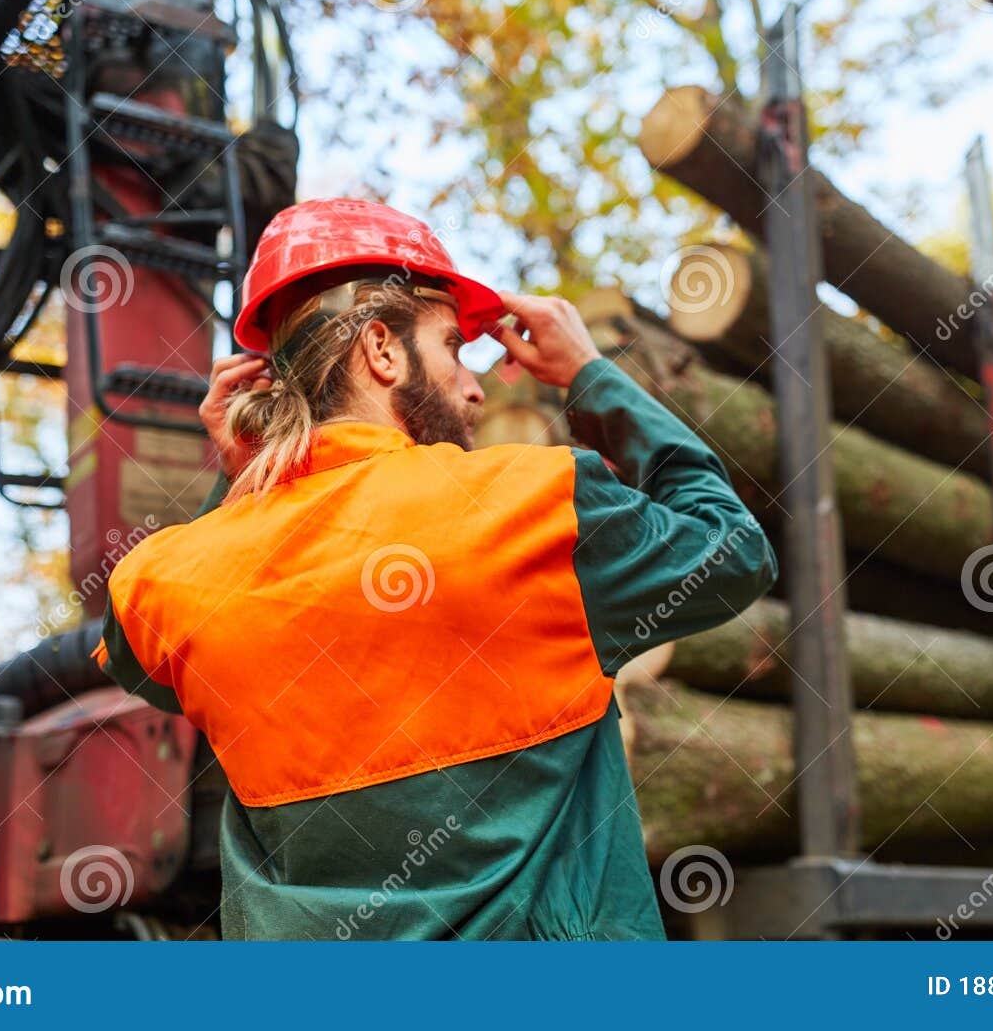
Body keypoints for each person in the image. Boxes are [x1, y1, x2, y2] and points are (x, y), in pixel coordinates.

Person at [94, 198, 777, 939]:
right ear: (382, 350)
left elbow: (147, 665)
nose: (477, 384)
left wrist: (239, 482)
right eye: (453, 345)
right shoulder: (535, 506)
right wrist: (590, 375)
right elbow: (734, 549)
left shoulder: (170, 576)